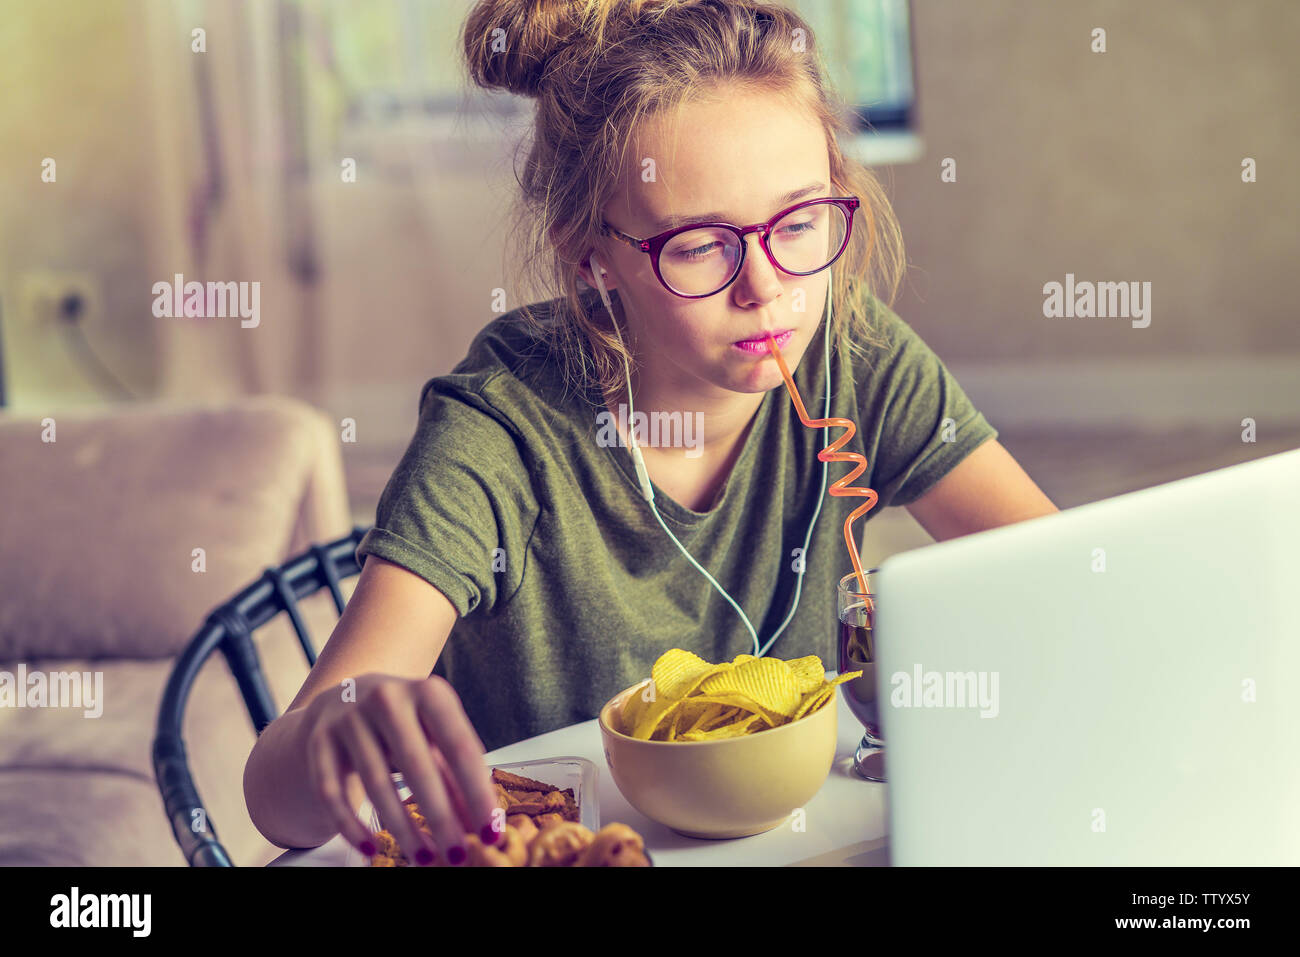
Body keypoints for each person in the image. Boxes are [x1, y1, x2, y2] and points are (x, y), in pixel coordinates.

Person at [244, 0, 1057, 867]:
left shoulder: (854, 354)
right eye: (701, 244)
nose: (768, 288)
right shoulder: (502, 427)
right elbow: (274, 801)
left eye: (799, 222)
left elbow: (1071, 578)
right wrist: (339, 727)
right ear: (594, 255)